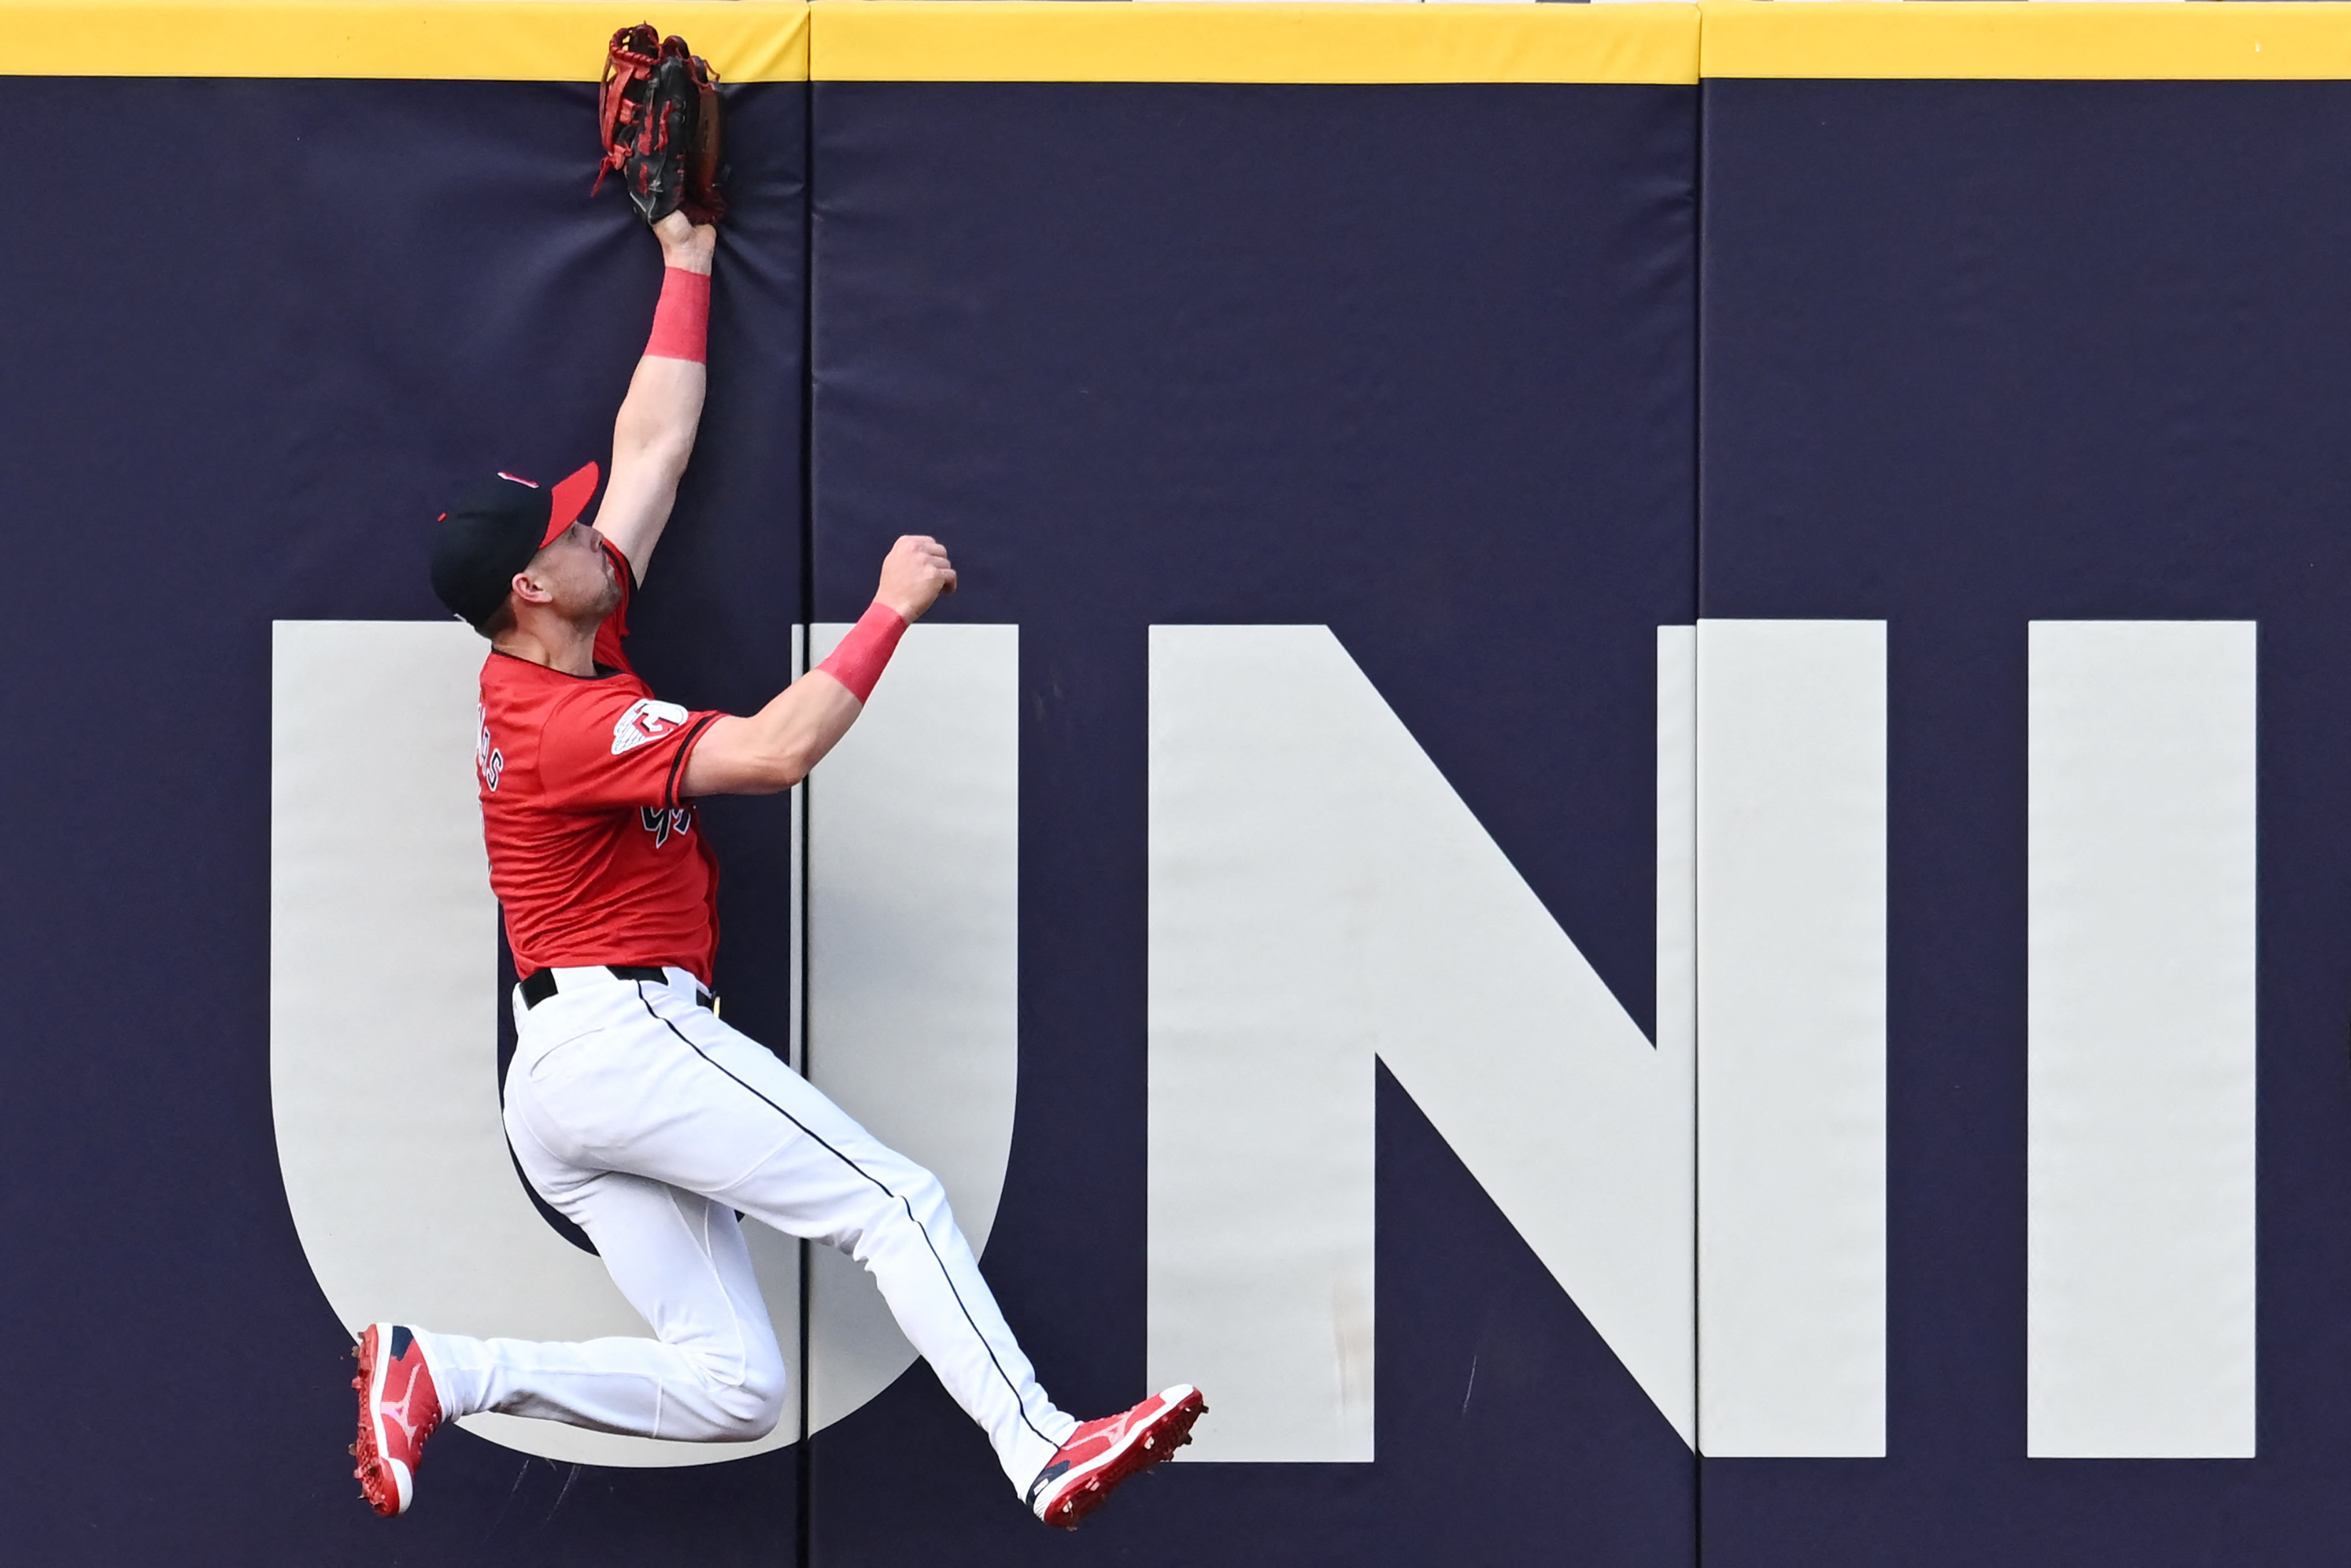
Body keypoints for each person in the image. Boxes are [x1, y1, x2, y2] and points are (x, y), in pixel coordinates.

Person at [355, 200, 1203, 1531]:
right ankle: (1039, 1440)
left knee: (737, 1385)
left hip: (569, 1069)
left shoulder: (557, 639)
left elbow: (655, 443)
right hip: (620, 1034)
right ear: (528, 590)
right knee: (893, 1199)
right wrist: (888, 611)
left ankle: (443, 1370)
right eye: (566, 538)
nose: (591, 533)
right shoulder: (561, 720)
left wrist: (686, 257)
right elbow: (772, 753)